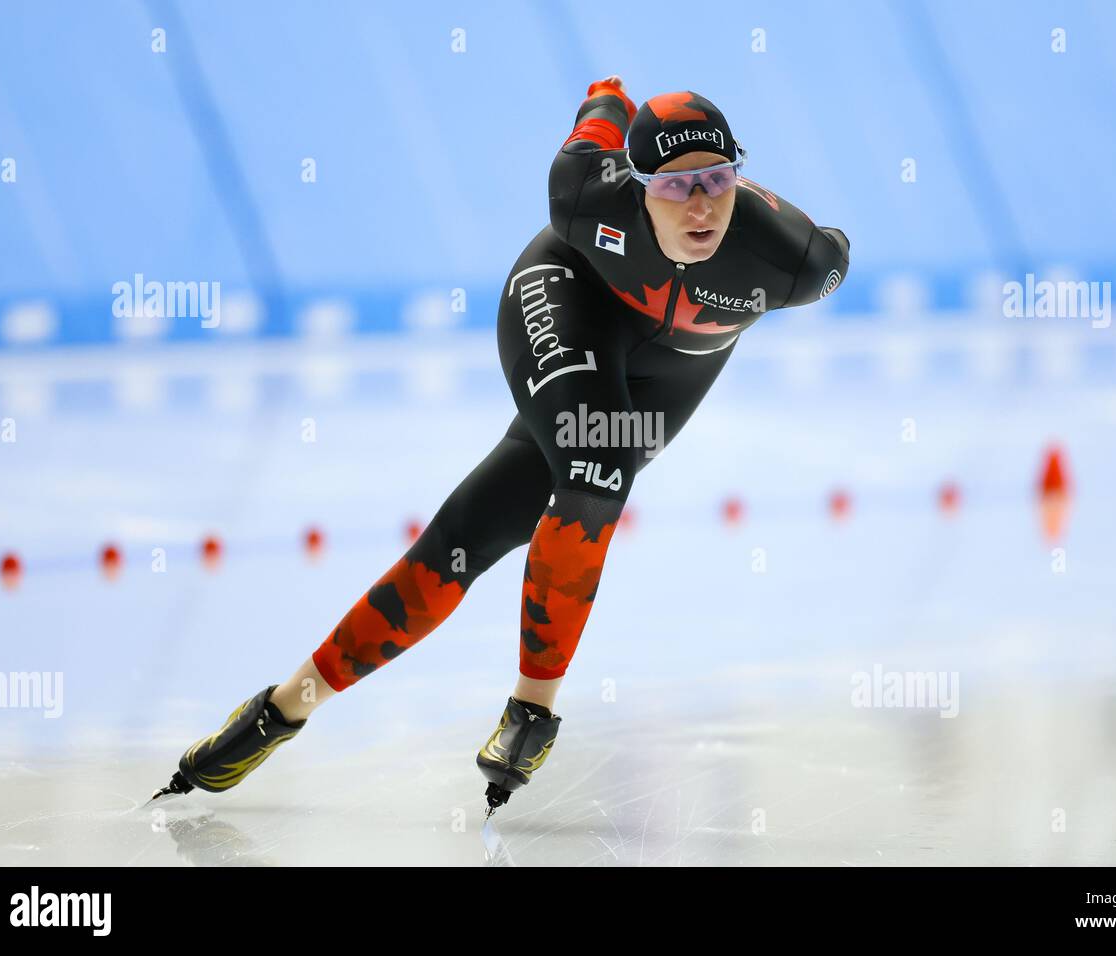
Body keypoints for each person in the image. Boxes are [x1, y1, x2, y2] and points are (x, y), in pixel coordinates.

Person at [152, 78, 849, 814]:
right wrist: (607, 96)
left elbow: (839, 248)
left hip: (669, 379)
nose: (700, 205)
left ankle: (279, 711)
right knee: (596, 468)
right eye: (676, 186)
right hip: (567, 299)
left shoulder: (795, 260)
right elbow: (600, 112)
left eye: (716, 180)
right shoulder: (585, 191)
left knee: (472, 535)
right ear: (638, 187)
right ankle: (533, 713)